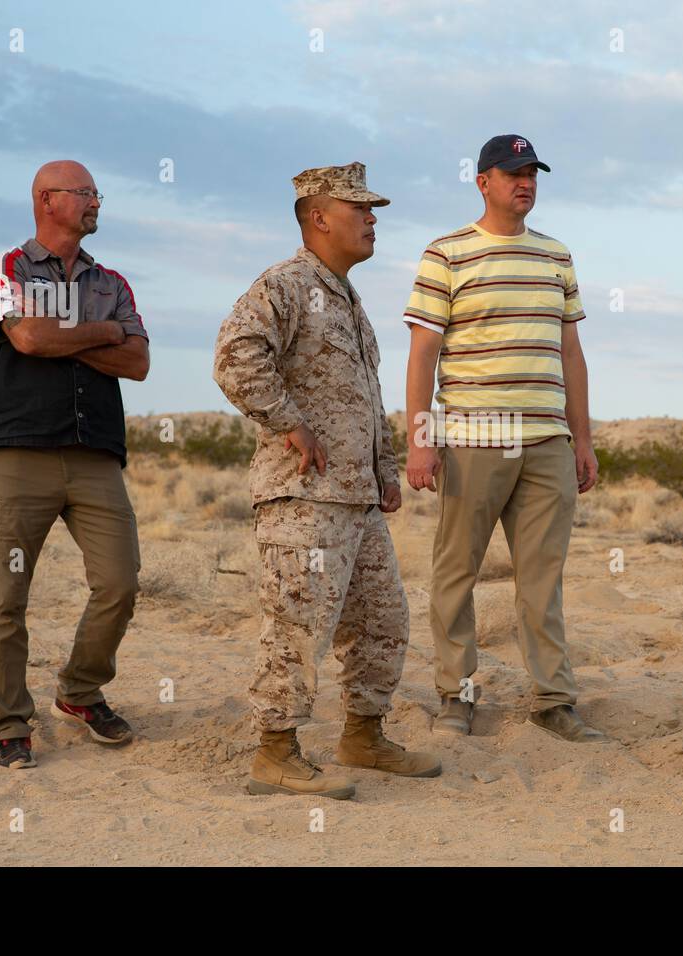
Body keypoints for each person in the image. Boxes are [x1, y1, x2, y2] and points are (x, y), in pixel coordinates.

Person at [213, 162, 440, 801]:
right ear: (319, 217)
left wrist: (384, 472)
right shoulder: (285, 285)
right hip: (303, 498)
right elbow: (235, 356)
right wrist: (287, 421)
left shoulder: (346, 297)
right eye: (360, 209)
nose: (373, 220)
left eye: (373, 210)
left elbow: (362, 396)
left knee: (382, 620)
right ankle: (275, 754)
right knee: (296, 625)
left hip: (356, 499)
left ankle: (363, 737)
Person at [403, 135, 603, 742]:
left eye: (532, 173)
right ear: (482, 181)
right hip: (472, 437)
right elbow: (422, 354)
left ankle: (553, 700)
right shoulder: (446, 254)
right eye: (513, 173)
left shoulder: (556, 256)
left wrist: (583, 441)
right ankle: (455, 696)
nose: (525, 182)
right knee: (455, 572)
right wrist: (420, 437)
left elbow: (571, 352)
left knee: (542, 578)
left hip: (547, 443)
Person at [0, 160, 150, 769]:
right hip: (20, 452)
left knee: (121, 582)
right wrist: (102, 332)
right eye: (86, 193)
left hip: (96, 454)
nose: (97, 202)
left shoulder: (115, 281)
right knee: (6, 599)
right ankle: (10, 722)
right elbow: (27, 340)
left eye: (98, 192)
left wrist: (69, 333)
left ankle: (79, 692)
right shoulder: (4, 269)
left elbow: (139, 362)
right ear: (47, 200)